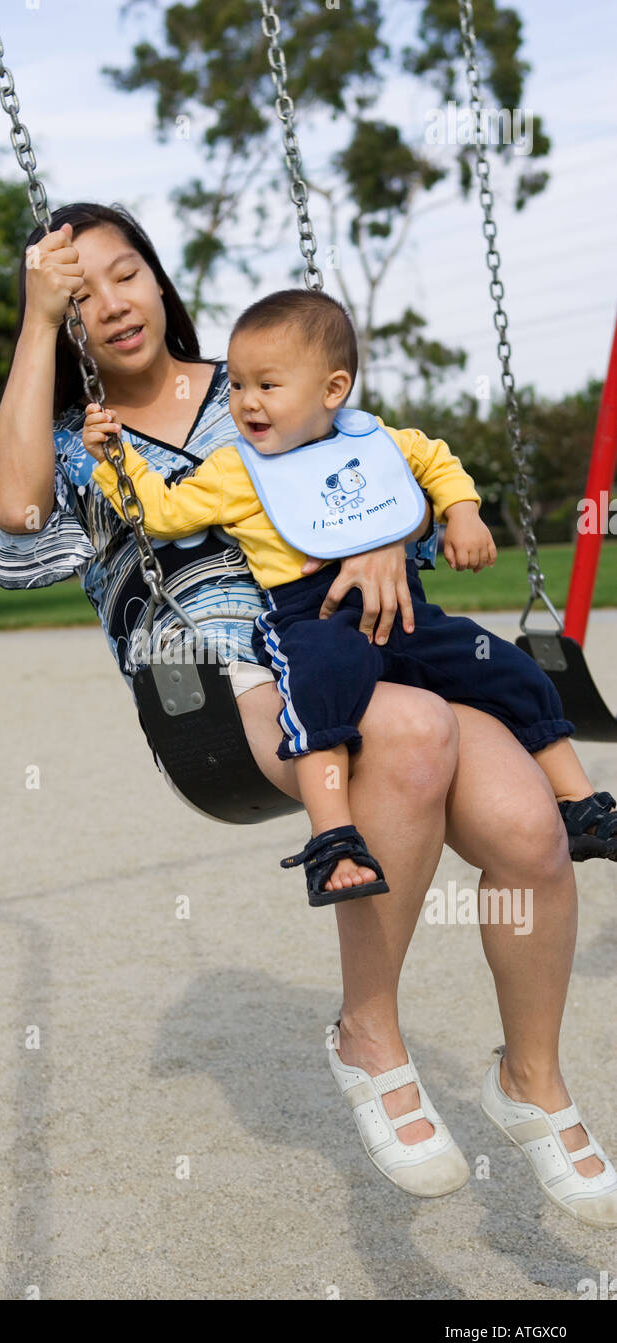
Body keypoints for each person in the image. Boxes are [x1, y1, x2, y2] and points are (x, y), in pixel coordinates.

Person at [0, 200, 617, 1222]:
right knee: (412, 733)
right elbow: (18, 525)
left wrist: (388, 533)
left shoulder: (257, 378)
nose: (108, 303)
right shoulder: (75, 438)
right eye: (74, 293)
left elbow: (383, 469)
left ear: (158, 277)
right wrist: (30, 322)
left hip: (381, 633)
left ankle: (530, 1078)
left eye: (124, 273)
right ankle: (367, 1034)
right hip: (224, 676)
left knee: (526, 830)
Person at [86, 288, 617, 906]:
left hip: (406, 611)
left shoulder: (375, 440)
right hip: (314, 617)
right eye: (236, 387)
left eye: (267, 386)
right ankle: (334, 836)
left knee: (509, 668)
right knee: (318, 696)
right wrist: (116, 458)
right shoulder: (238, 470)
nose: (245, 402)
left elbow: (437, 462)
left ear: (332, 391)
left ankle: (580, 804)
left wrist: (464, 513)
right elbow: (163, 513)